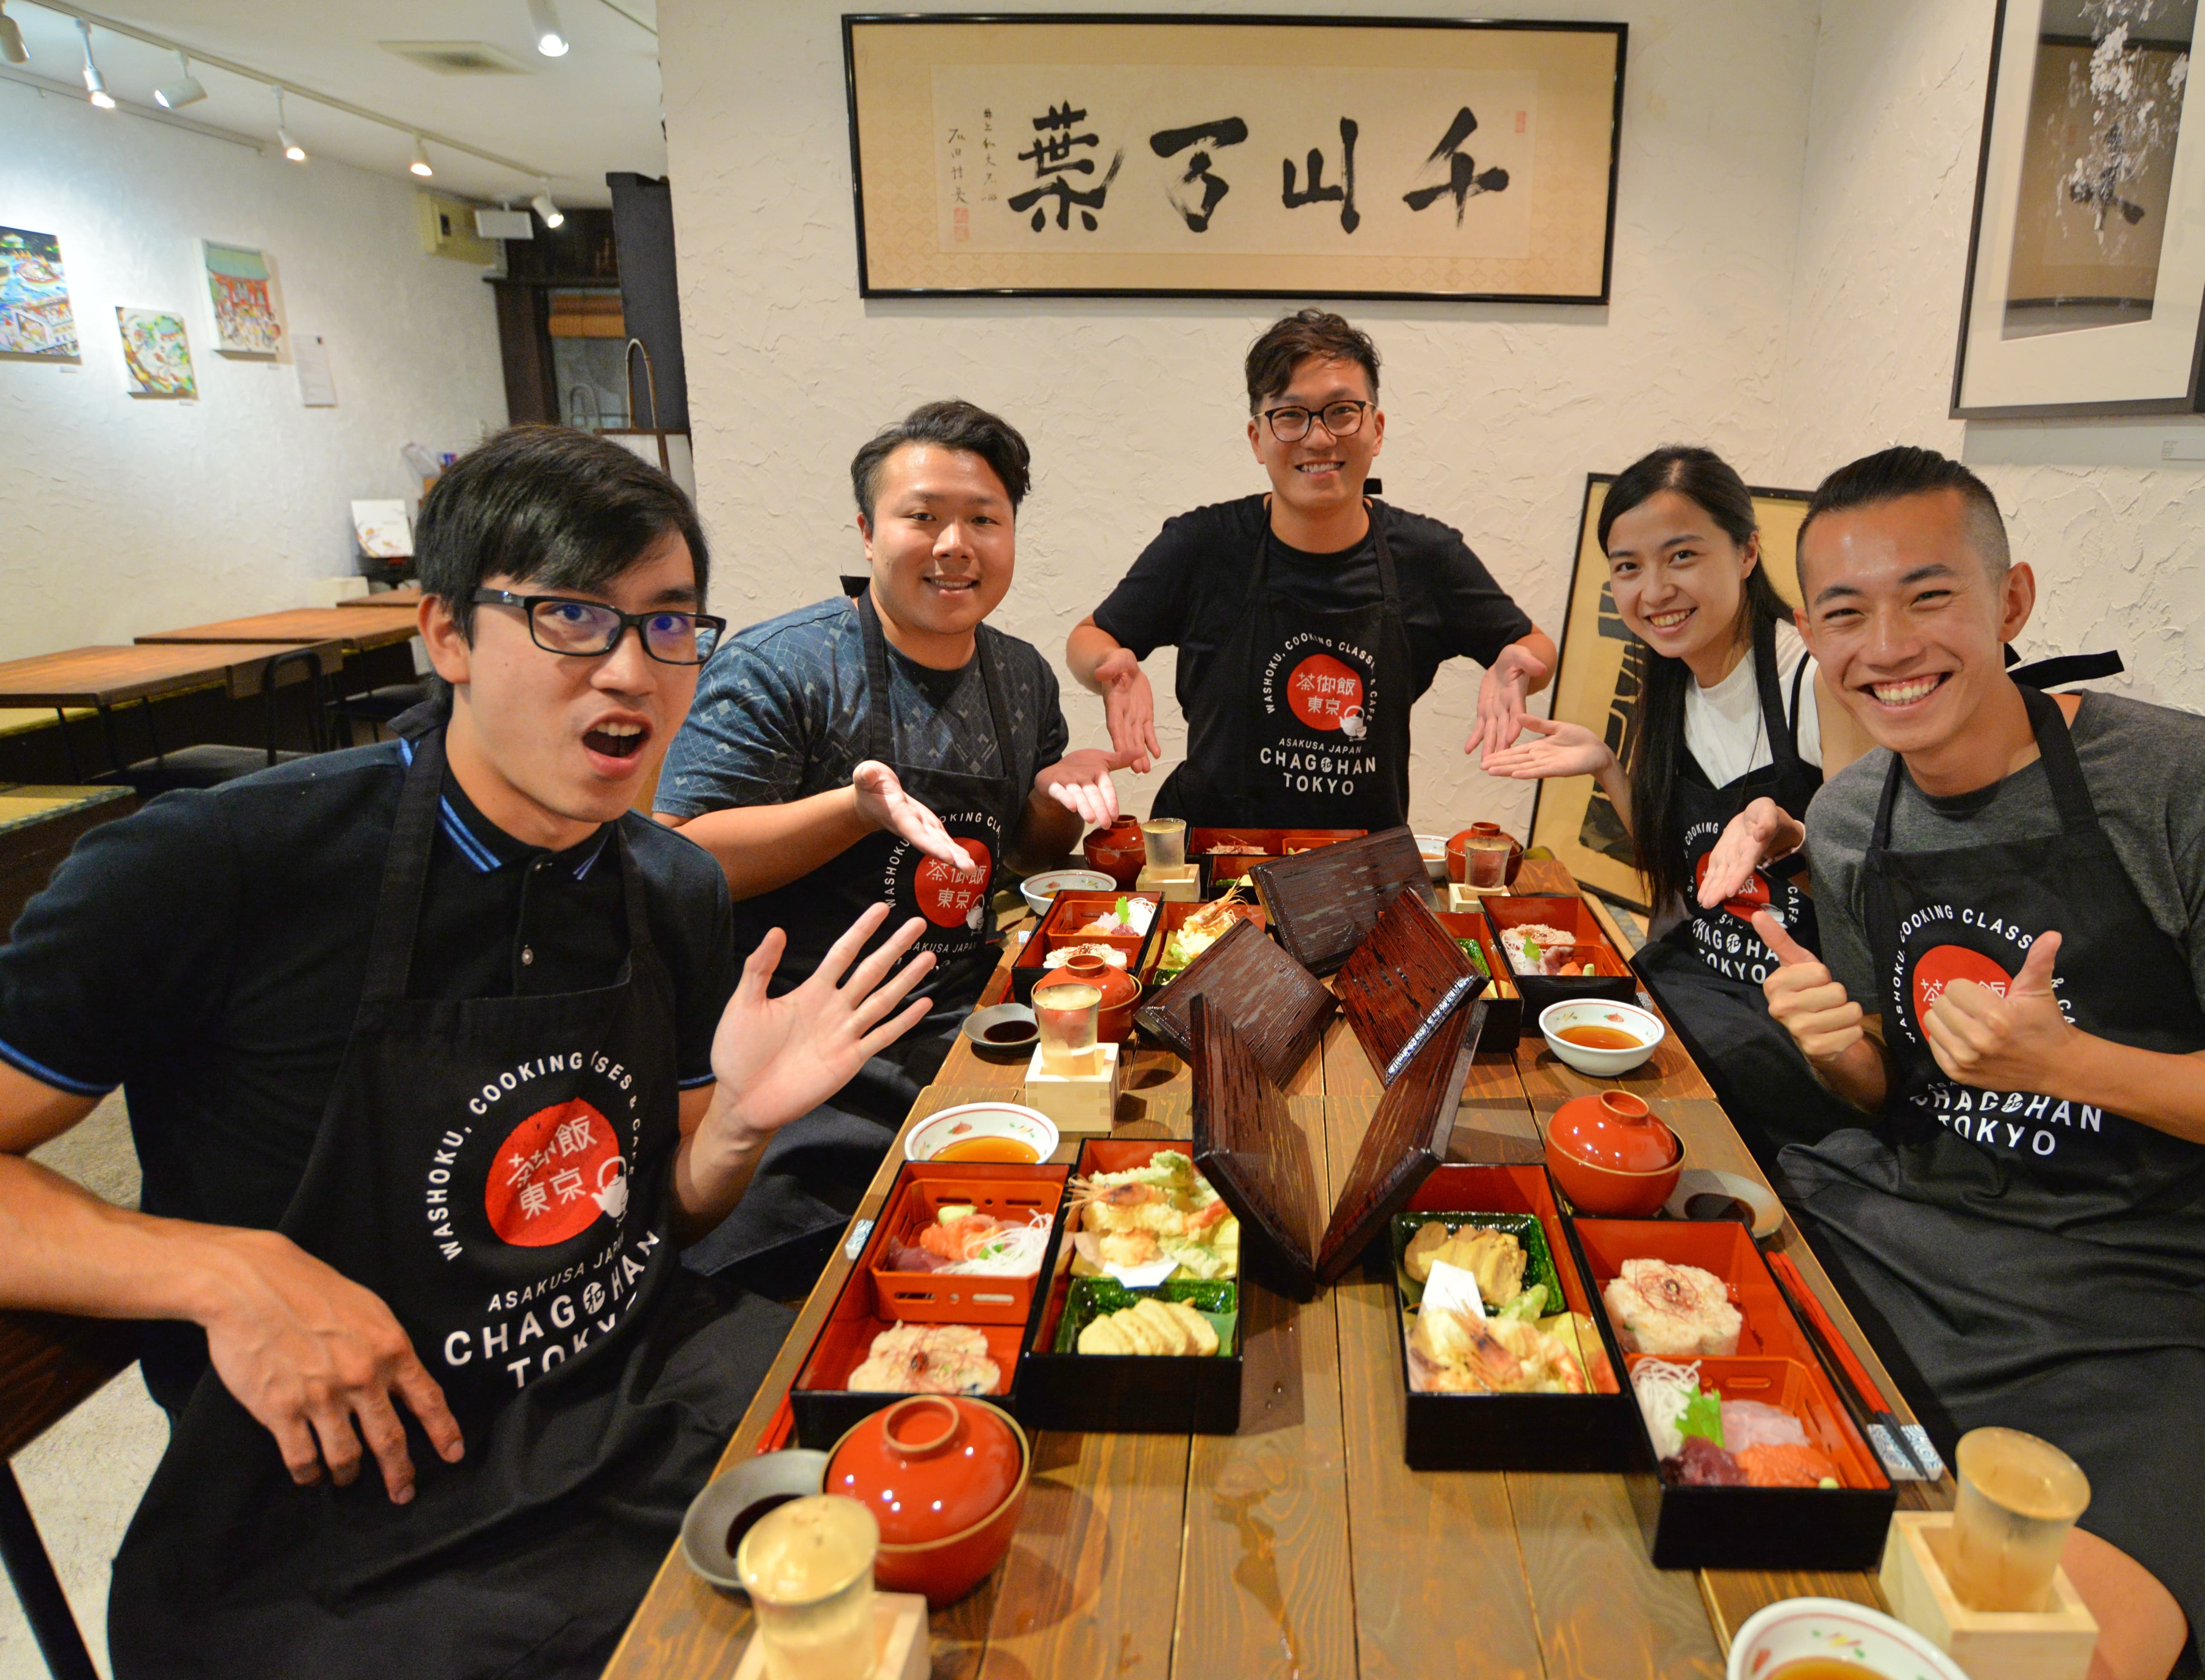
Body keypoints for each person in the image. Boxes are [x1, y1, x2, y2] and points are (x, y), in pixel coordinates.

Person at [0, 426, 941, 1678]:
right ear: (444, 634)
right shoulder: (220, 866)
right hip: (353, 1525)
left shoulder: (667, 884)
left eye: (668, 624)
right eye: (567, 617)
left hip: (640, 1410)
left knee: (946, 1522)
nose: (628, 672)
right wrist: (222, 1273)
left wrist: (732, 1131)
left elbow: (651, 1215)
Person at [1752, 447, 2205, 1680]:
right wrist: (1843, 1056)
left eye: (1930, 599)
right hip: (1918, 1229)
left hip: (2153, 1297)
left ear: (2012, 602)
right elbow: (1902, 1086)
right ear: (1810, 633)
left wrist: (2072, 1063)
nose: (1888, 648)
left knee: (2044, 1656)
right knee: (1684, 1418)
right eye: (1844, 614)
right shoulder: (1853, 816)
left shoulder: (2192, 784)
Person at [655, 400, 1128, 1291]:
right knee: (803, 1294)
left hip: (970, 1031)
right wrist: (854, 810)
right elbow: (680, 857)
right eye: (923, 517)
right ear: (869, 532)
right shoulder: (782, 665)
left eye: (984, 520)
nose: (956, 544)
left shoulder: (1020, 674)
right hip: (808, 1058)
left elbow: (1018, 858)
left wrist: (1059, 802)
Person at [1484, 445, 1866, 1159]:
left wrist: (1786, 834)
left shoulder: (1811, 681)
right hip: (1699, 983)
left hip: (1789, 1020)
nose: (1653, 590)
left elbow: (1870, 885)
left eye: (1681, 556)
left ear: (1747, 552)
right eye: (1628, 567)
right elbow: (1681, 873)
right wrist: (1606, 768)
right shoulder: (1672, 683)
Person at [1067, 308, 1556, 827]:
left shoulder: (1426, 555)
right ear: (1257, 438)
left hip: (1361, 868)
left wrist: (1518, 661)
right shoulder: (1204, 545)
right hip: (1212, 863)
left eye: (1341, 411)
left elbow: (1533, 646)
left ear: (1377, 429)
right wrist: (1110, 667)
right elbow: (1089, 637)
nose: (1319, 438)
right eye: (1291, 415)